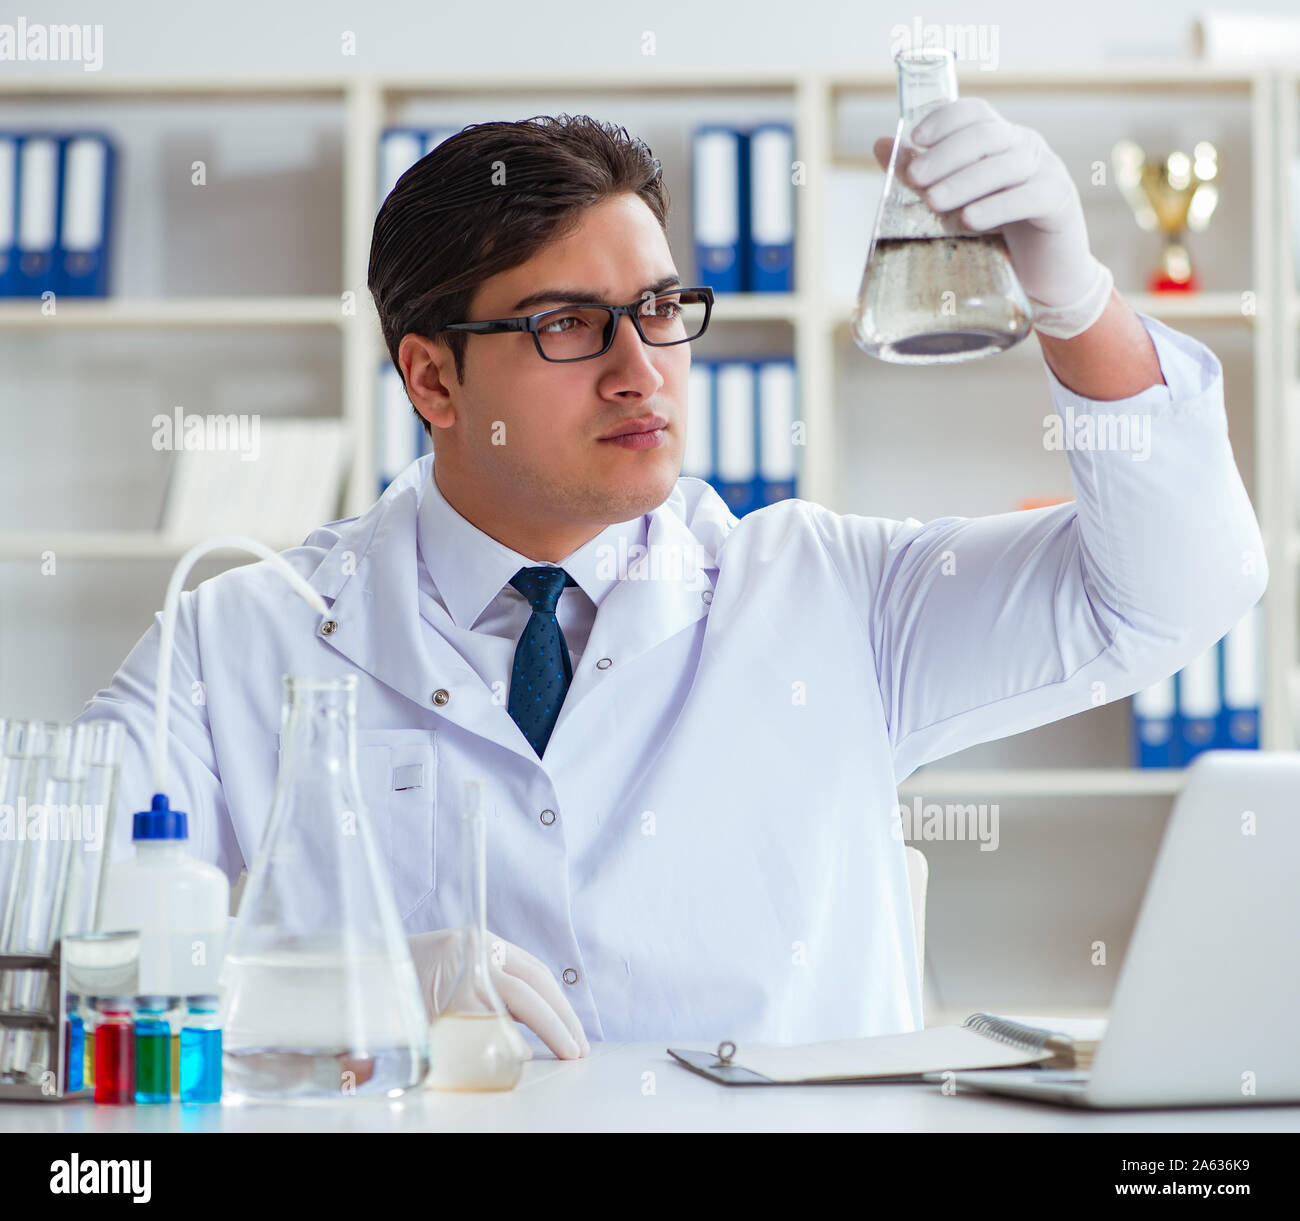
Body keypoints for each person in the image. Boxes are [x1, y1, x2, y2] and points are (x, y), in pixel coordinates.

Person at [78, 106, 1266, 1060]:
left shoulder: (830, 595)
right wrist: (344, 983)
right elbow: (59, 936)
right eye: (566, 325)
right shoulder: (244, 637)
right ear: (433, 381)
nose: (641, 370)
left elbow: (1176, 588)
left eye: (657, 310)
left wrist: (1075, 302)